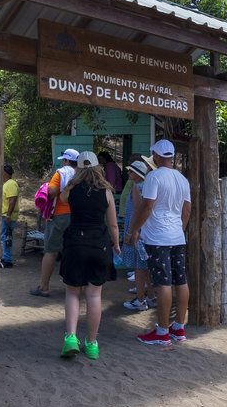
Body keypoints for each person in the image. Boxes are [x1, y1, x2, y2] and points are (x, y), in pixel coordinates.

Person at [126, 139, 192, 346]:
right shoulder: (182, 179)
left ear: (155, 156)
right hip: (177, 237)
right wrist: (178, 230)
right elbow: (187, 210)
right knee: (181, 281)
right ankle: (178, 328)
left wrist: (133, 230)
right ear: (171, 156)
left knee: (163, 282)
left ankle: (162, 331)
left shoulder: (153, 177)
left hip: (157, 238)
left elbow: (146, 207)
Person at [58, 151, 121, 359]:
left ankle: (70, 337)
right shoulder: (106, 192)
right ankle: (92, 344)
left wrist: (74, 179)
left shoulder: (72, 189)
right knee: (94, 295)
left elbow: (62, 197)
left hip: (75, 242)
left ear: (80, 168)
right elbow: (112, 224)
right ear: (98, 167)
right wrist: (116, 244)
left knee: (72, 292)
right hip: (99, 244)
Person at [29, 148, 78, 296]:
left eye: (63, 160)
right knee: (74, 252)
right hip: (76, 216)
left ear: (67, 161)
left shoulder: (61, 173)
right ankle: (76, 288)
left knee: (50, 252)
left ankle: (44, 287)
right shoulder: (82, 174)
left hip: (59, 216)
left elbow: (51, 192)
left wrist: (45, 187)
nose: (62, 162)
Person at [121, 158, 157, 311]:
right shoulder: (147, 187)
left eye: (131, 171)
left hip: (137, 231)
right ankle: (151, 296)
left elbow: (137, 211)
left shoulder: (137, 188)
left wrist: (130, 232)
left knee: (139, 267)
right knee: (146, 266)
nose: (129, 173)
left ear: (137, 174)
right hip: (145, 230)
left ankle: (140, 299)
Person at [0, 164, 19, 268]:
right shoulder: (6, 183)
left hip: (7, 216)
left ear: (4, 173)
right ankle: (5, 257)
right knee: (4, 237)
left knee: (6, 237)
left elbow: (12, 200)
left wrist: (8, 216)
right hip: (4, 215)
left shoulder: (11, 184)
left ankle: (7, 260)